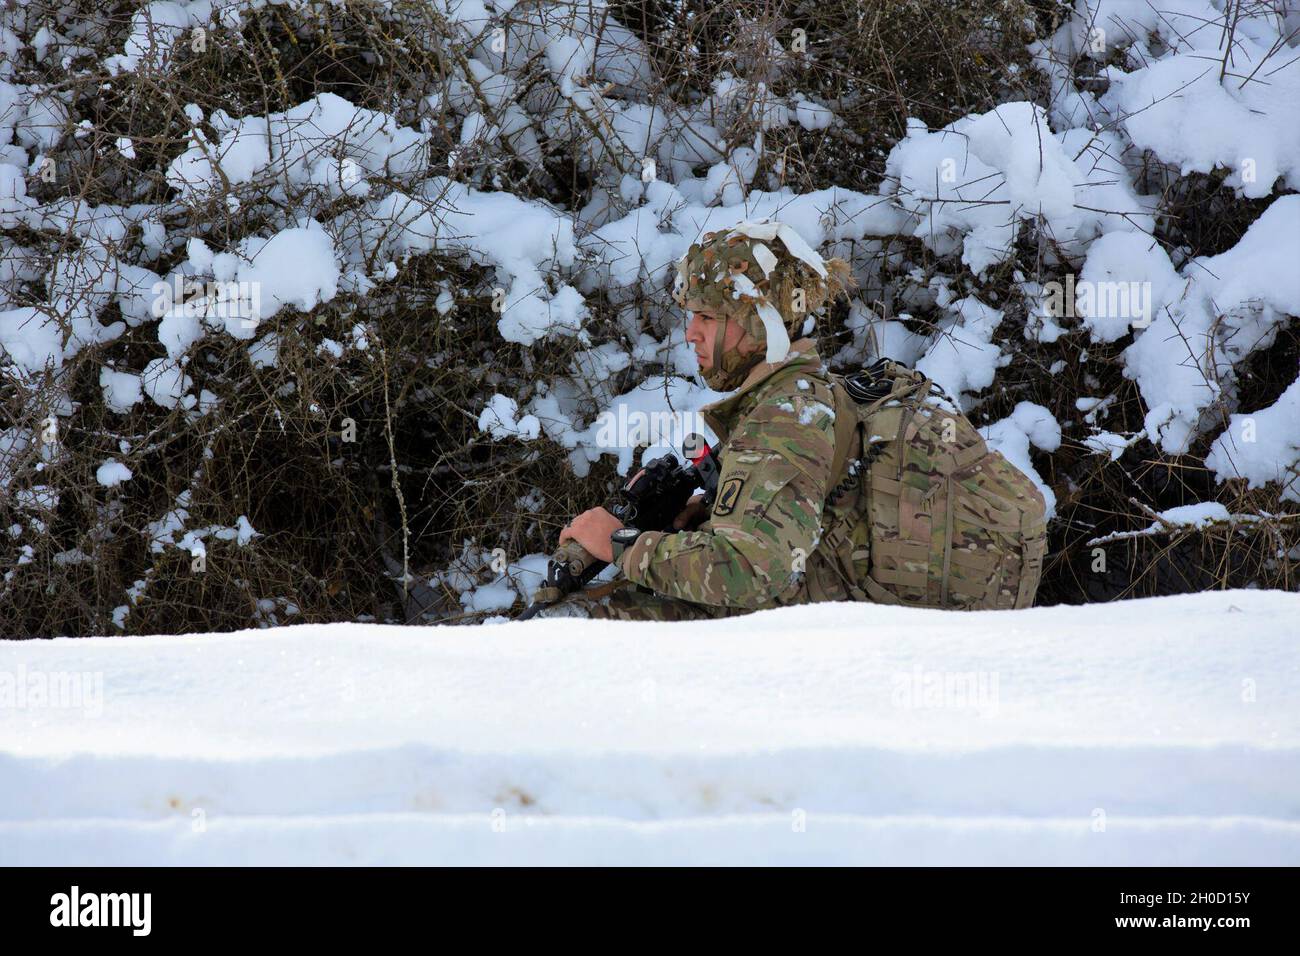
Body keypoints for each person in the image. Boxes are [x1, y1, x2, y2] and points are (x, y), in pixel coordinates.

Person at [532, 219, 863, 621]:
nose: (691, 333)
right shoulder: (792, 396)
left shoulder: (784, 415)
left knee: (589, 622)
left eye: (707, 316)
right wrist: (713, 510)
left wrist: (620, 545)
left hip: (828, 628)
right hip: (825, 601)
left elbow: (753, 570)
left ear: (759, 323)